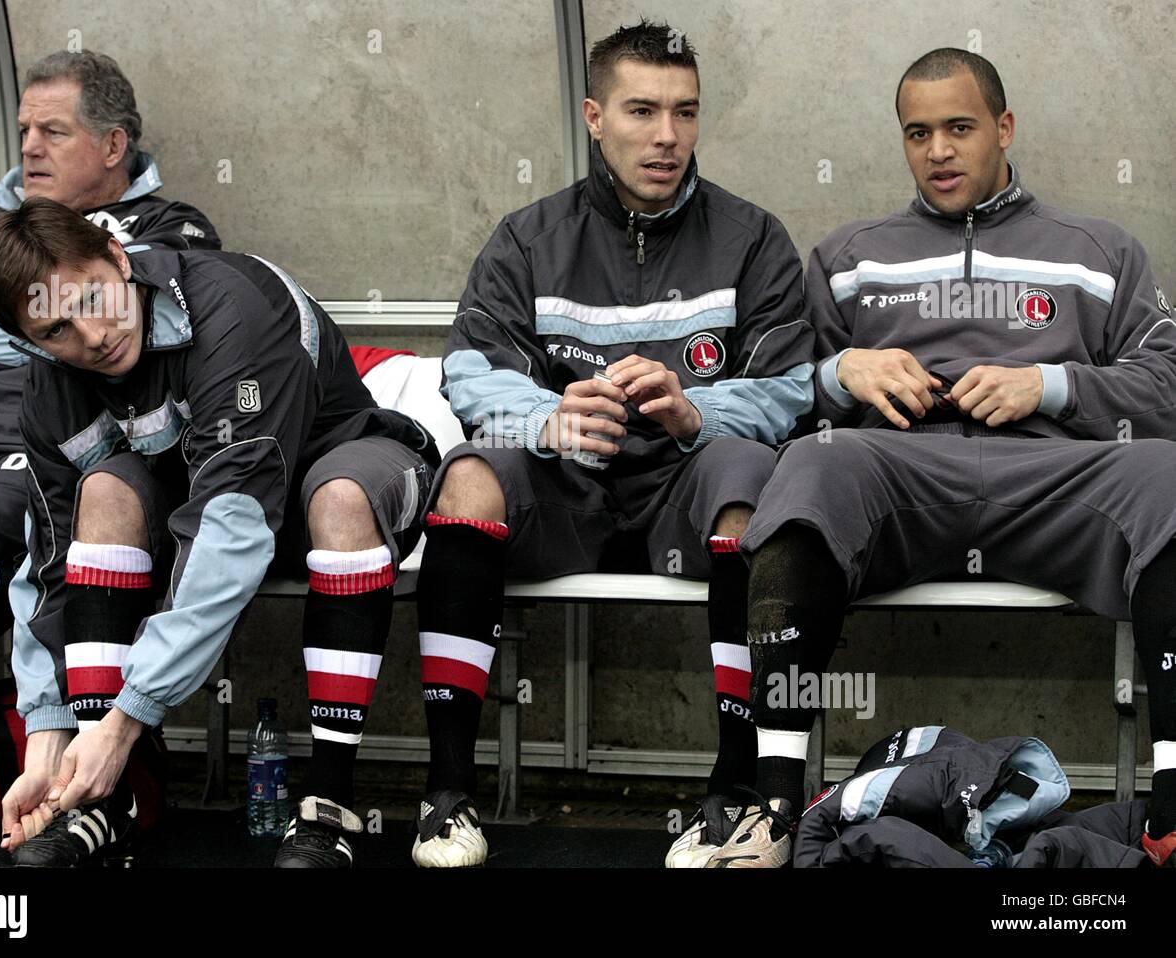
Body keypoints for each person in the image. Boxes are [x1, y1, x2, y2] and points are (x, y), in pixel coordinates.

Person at [736, 48, 1176, 867]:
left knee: (1168, 478)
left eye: (960, 127)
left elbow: (1167, 384)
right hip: (903, 479)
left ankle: (1174, 808)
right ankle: (773, 806)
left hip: (1056, 481)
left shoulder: (1101, 251)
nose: (938, 149)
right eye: (918, 132)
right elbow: (770, 393)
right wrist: (843, 371)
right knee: (811, 469)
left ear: (1003, 129)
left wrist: (1048, 387)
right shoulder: (848, 258)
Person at [410, 20, 814, 868]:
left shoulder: (753, 239)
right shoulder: (528, 238)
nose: (665, 137)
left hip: (685, 487)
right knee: (471, 477)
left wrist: (693, 413)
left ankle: (733, 793)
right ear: (595, 117)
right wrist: (548, 417)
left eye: (684, 112)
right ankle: (446, 798)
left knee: (750, 475)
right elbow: (469, 378)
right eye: (641, 111)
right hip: (570, 489)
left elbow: (788, 389)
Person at [0, 198, 439, 867]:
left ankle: (330, 804)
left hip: (338, 473)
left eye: (94, 297)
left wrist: (130, 716)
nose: (92, 335)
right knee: (101, 491)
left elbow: (232, 530)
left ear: (116, 258)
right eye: (56, 330)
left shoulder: (230, 309)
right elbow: (47, 557)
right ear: (30, 341)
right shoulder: (51, 387)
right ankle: (101, 801)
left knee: (338, 499)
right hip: (204, 515)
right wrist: (45, 730)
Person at [0, 50, 219, 683]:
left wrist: (17, 326)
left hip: (43, 446)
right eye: (25, 130)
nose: (29, 149)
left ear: (113, 144)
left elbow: (128, 337)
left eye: (53, 132)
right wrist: (42, 333)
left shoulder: (170, 232)